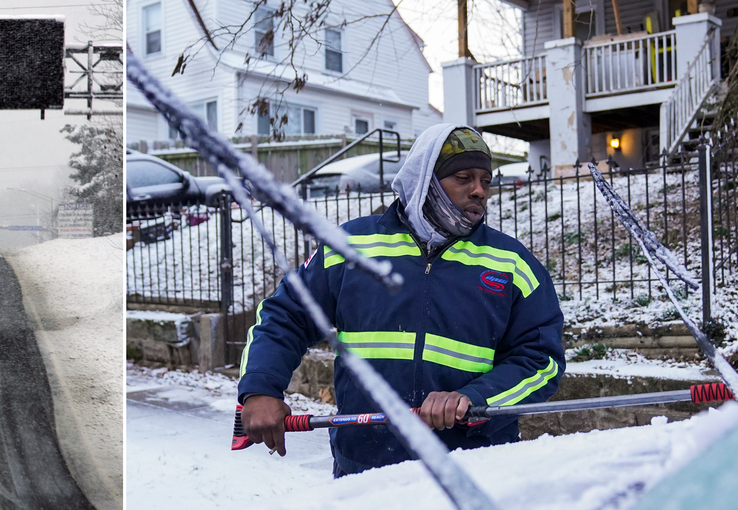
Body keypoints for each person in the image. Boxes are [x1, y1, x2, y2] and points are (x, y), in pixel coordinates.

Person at [237, 124, 565, 477]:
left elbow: (540, 360)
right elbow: (285, 316)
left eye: (485, 180)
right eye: (463, 177)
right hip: (365, 470)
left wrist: (476, 398)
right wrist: (259, 391)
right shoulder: (351, 245)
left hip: (474, 468)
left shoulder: (511, 262)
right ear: (425, 180)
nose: (479, 191)